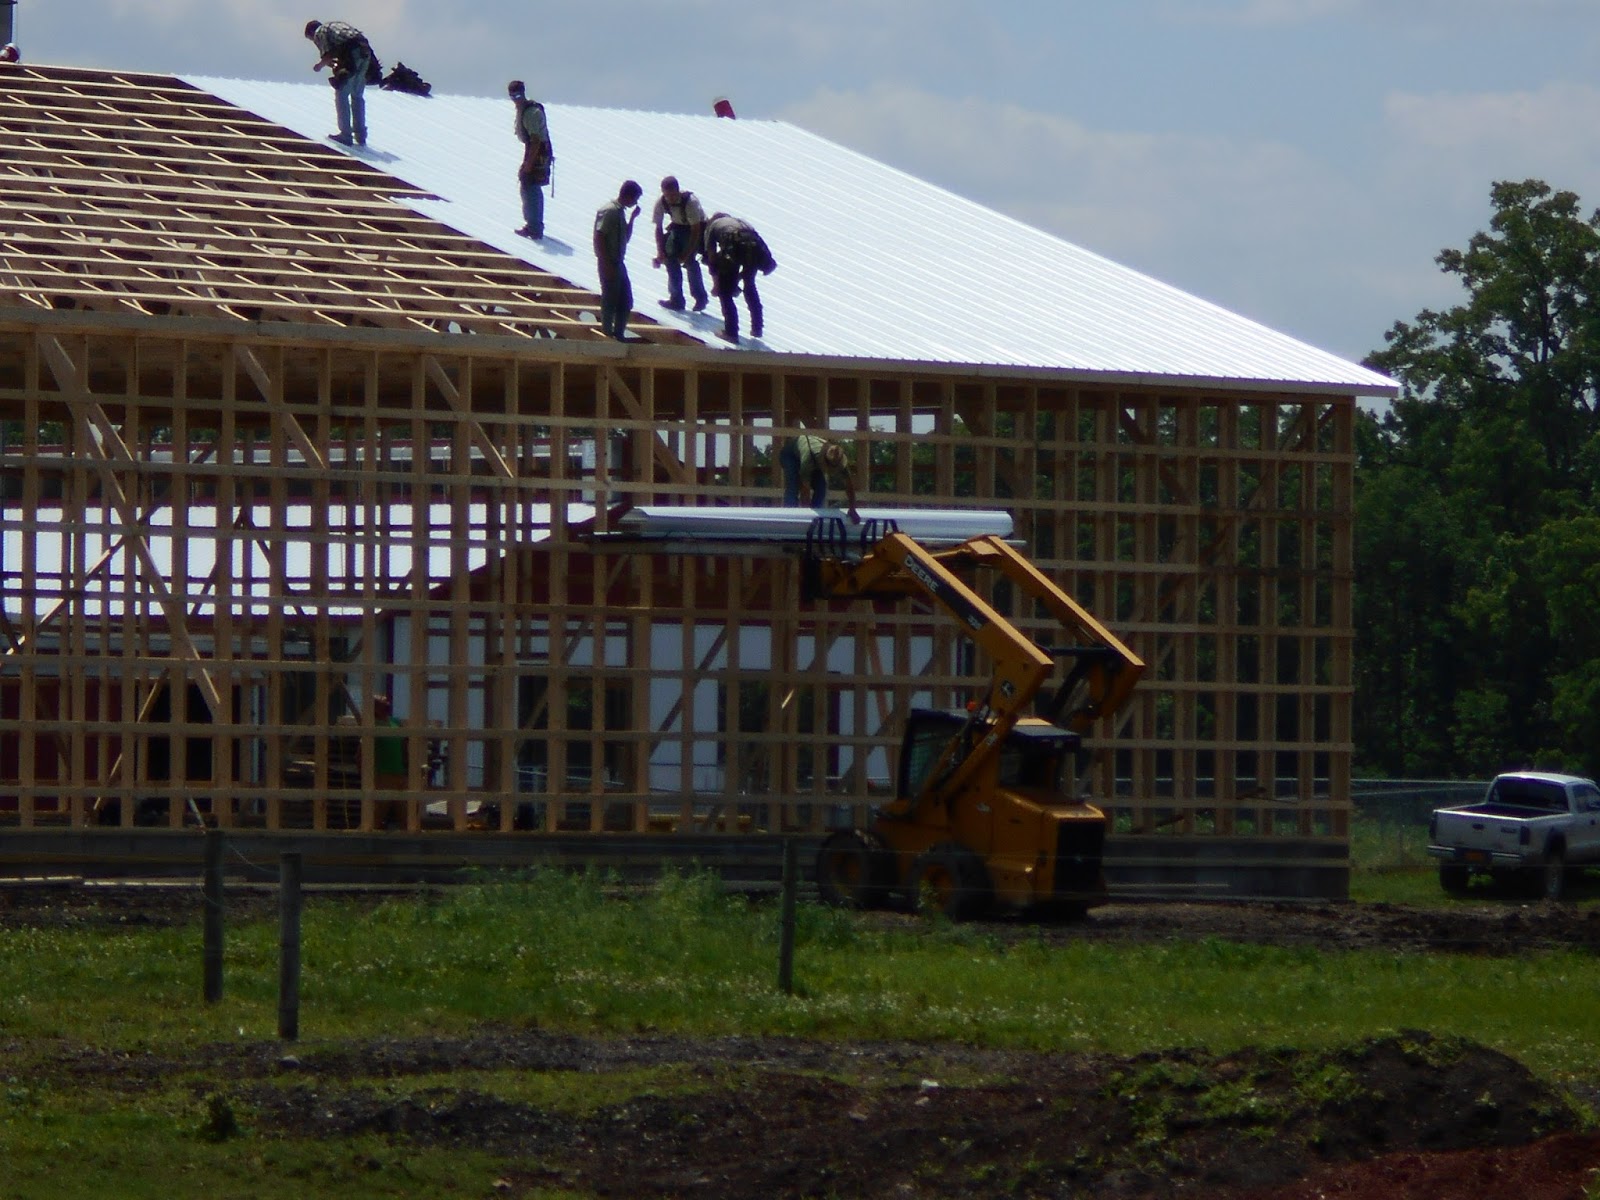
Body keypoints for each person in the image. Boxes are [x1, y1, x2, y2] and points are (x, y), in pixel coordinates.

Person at [702, 212, 777, 344]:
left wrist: (718, 284)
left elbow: (711, 257)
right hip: (753, 249)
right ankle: (757, 328)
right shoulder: (742, 223)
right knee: (749, 284)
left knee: (725, 293)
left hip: (735, 247)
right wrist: (736, 279)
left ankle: (731, 332)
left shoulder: (713, 226)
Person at [305, 18, 373, 147]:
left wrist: (319, 66)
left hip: (353, 54)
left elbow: (328, 55)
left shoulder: (320, 32)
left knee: (341, 94)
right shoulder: (335, 26)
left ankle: (345, 135)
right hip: (365, 52)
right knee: (357, 96)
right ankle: (360, 136)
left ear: (311, 33)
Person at [594, 180, 643, 341]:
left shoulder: (620, 212)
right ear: (628, 195)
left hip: (618, 263)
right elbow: (599, 236)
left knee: (626, 300)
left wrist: (633, 219)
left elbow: (625, 238)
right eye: (635, 198)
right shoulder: (610, 211)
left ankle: (619, 332)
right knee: (610, 298)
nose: (635, 202)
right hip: (609, 261)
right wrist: (605, 263)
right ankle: (607, 331)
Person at [651, 176, 708, 313]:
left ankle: (700, 298)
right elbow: (658, 227)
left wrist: (686, 254)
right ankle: (676, 300)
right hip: (678, 227)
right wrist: (660, 251)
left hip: (696, 229)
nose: (670, 198)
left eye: (672, 194)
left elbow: (696, 231)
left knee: (689, 262)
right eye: (667, 194)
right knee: (670, 260)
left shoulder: (690, 202)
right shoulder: (662, 202)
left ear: (678, 190)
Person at [508, 80, 552, 239]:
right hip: (532, 150)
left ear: (523, 93)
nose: (515, 99)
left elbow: (536, 140)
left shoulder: (531, 112)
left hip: (538, 152)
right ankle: (533, 224)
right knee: (528, 186)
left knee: (530, 185)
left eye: (518, 95)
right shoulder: (522, 110)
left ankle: (534, 226)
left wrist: (528, 164)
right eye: (512, 96)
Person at [780, 434, 859, 520]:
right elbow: (805, 489)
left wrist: (852, 509)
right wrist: (806, 515)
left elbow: (849, 486)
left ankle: (818, 515)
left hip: (812, 458)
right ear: (825, 462)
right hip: (790, 454)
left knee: (821, 487)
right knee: (793, 486)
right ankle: (790, 517)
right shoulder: (808, 458)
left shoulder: (838, 459)